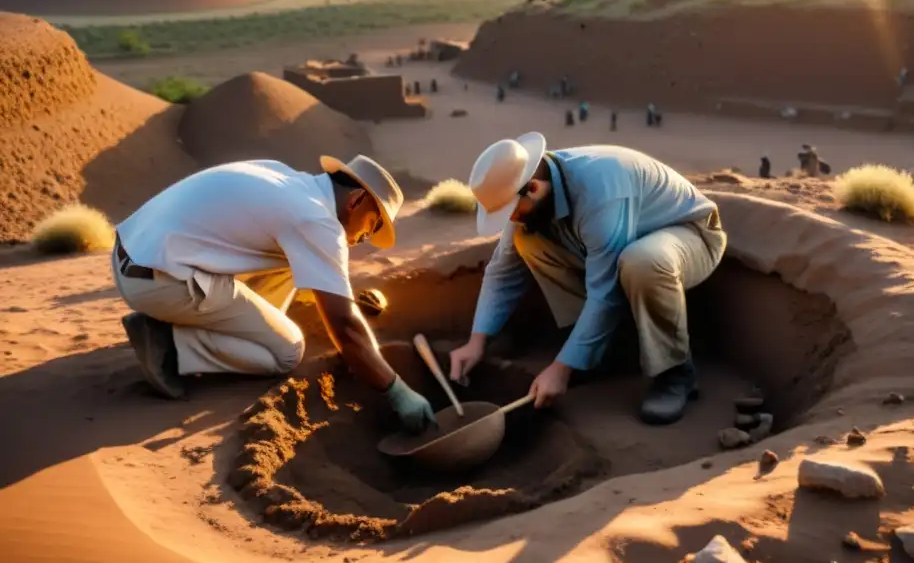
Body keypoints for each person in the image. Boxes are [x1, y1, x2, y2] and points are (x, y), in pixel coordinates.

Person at [111, 155, 436, 434]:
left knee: (289, 267)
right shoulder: (317, 221)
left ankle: (194, 323)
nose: (367, 236)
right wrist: (398, 392)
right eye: (374, 223)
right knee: (287, 352)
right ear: (355, 201)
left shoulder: (283, 176)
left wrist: (345, 298)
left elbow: (314, 277)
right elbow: (345, 327)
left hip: (132, 255)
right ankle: (168, 343)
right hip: (159, 282)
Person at [449, 134, 727, 425]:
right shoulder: (532, 194)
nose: (512, 220)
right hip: (621, 241)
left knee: (641, 261)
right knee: (527, 241)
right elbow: (502, 271)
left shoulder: (601, 192)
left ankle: (675, 373)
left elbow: (605, 294)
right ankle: (599, 355)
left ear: (532, 188)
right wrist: (477, 341)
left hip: (686, 236)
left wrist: (561, 367)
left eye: (513, 212)